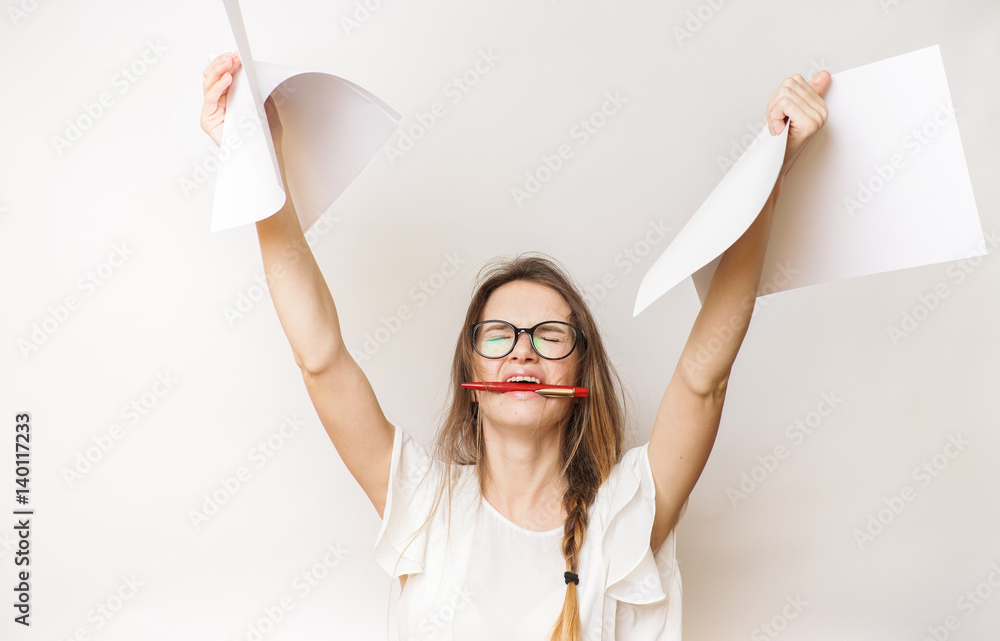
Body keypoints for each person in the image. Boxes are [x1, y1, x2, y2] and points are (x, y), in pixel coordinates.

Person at [200, 51, 830, 640]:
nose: (522, 353)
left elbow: (704, 377)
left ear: (580, 375)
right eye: (499, 336)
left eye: (550, 336)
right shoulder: (424, 503)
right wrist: (259, 166)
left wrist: (771, 174)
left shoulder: (625, 511)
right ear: (471, 373)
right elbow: (321, 358)